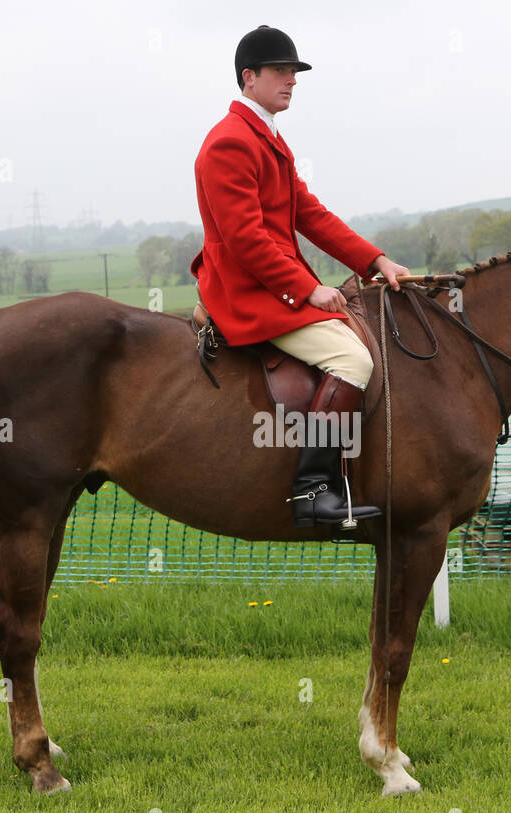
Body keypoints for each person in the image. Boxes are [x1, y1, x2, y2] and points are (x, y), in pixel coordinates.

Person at [190, 25, 410, 528]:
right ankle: (312, 491)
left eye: (294, 72)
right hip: (247, 291)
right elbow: (246, 240)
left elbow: (310, 214)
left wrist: (375, 261)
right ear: (249, 77)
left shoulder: (267, 138)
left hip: (272, 283)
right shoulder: (229, 143)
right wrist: (307, 288)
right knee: (353, 358)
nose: (291, 80)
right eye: (280, 71)